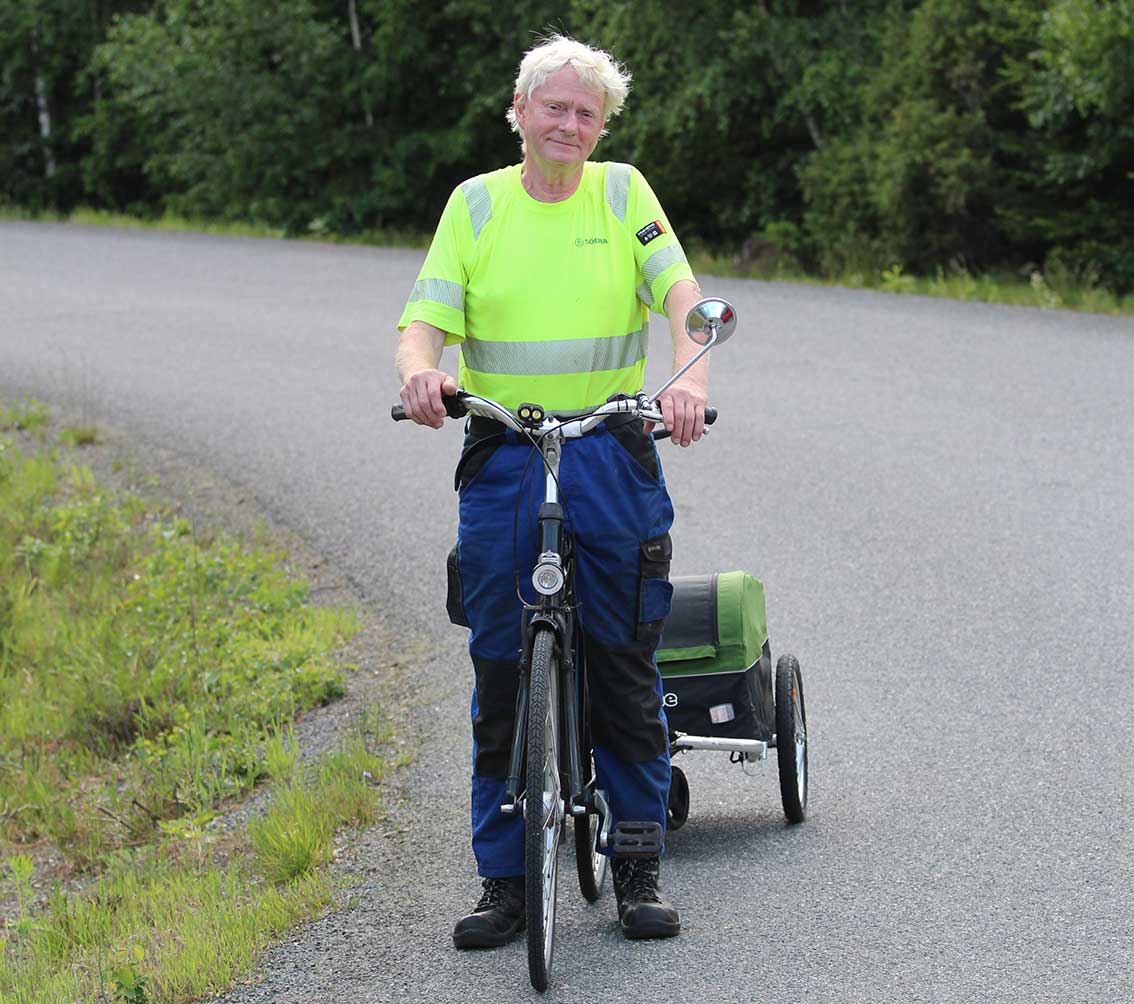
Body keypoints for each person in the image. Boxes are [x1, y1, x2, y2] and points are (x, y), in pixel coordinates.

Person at [395, 34, 709, 946]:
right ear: (521, 113)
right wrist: (421, 375)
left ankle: (639, 858)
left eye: (587, 113)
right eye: (555, 108)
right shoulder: (477, 204)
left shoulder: (623, 193)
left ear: (601, 125)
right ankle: (504, 877)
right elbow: (424, 320)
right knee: (500, 662)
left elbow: (681, 291)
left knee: (621, 652)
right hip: (505, 447)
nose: (570, 124)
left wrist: (689, 373)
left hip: (610, 441)